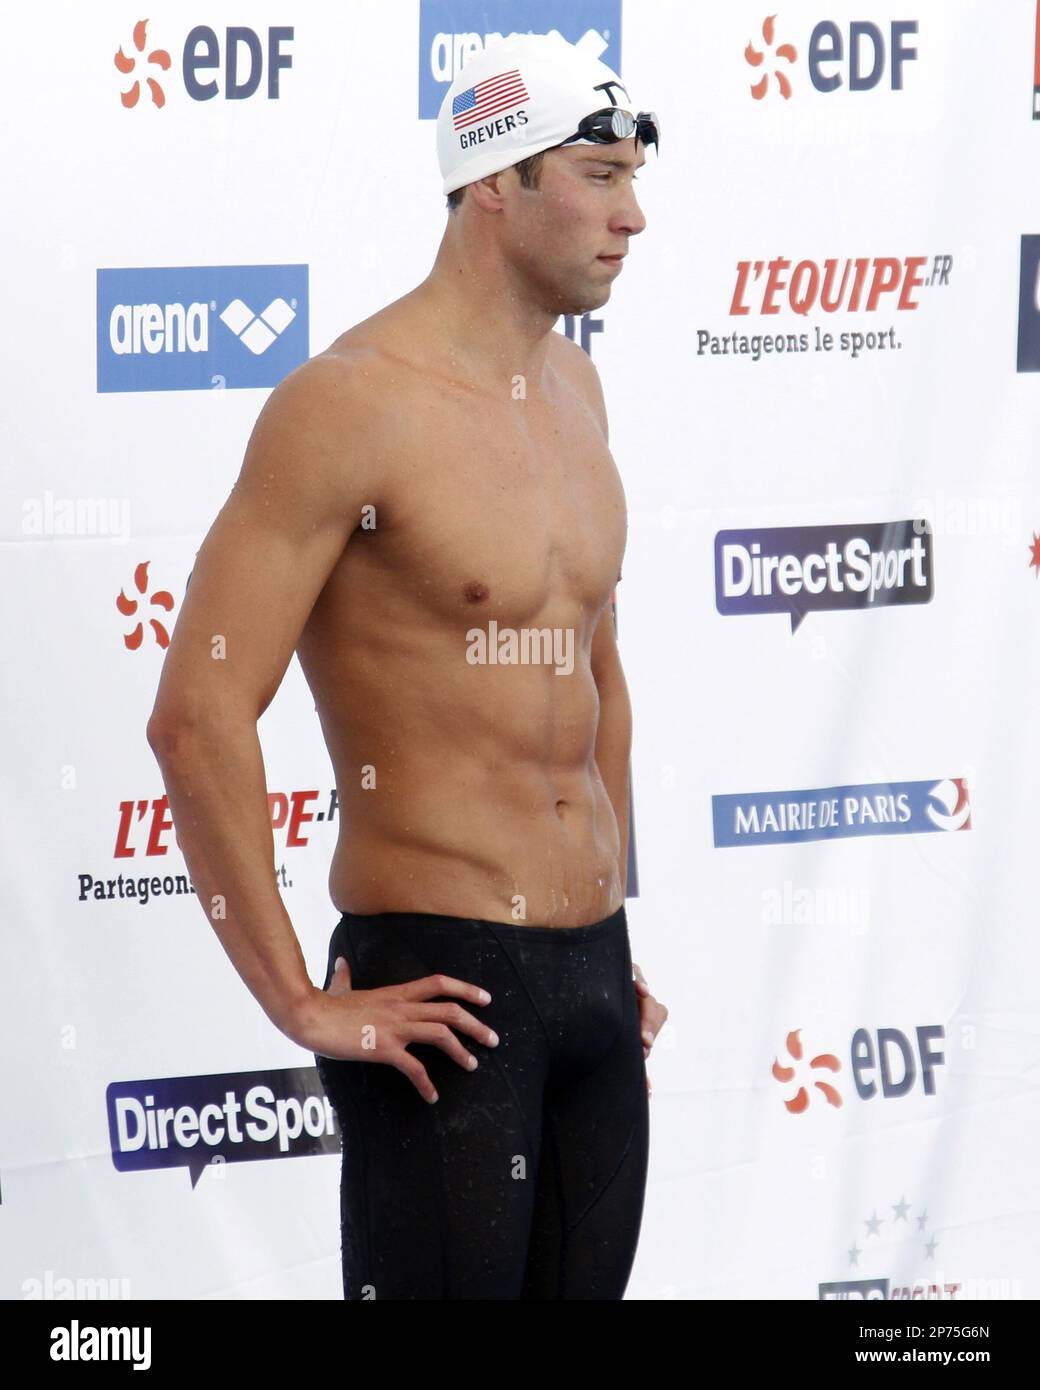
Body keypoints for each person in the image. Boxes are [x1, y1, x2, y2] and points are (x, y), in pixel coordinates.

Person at [147, 31, 668, 1300]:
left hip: (595, 981)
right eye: (598, 176)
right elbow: (198, 713)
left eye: (632, 180)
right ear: (498, 182)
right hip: (444, 987)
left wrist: (613, 922)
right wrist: (298, 1002)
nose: (632, 216)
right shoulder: (349, 404)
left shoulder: (572, 398)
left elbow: (596, 682)